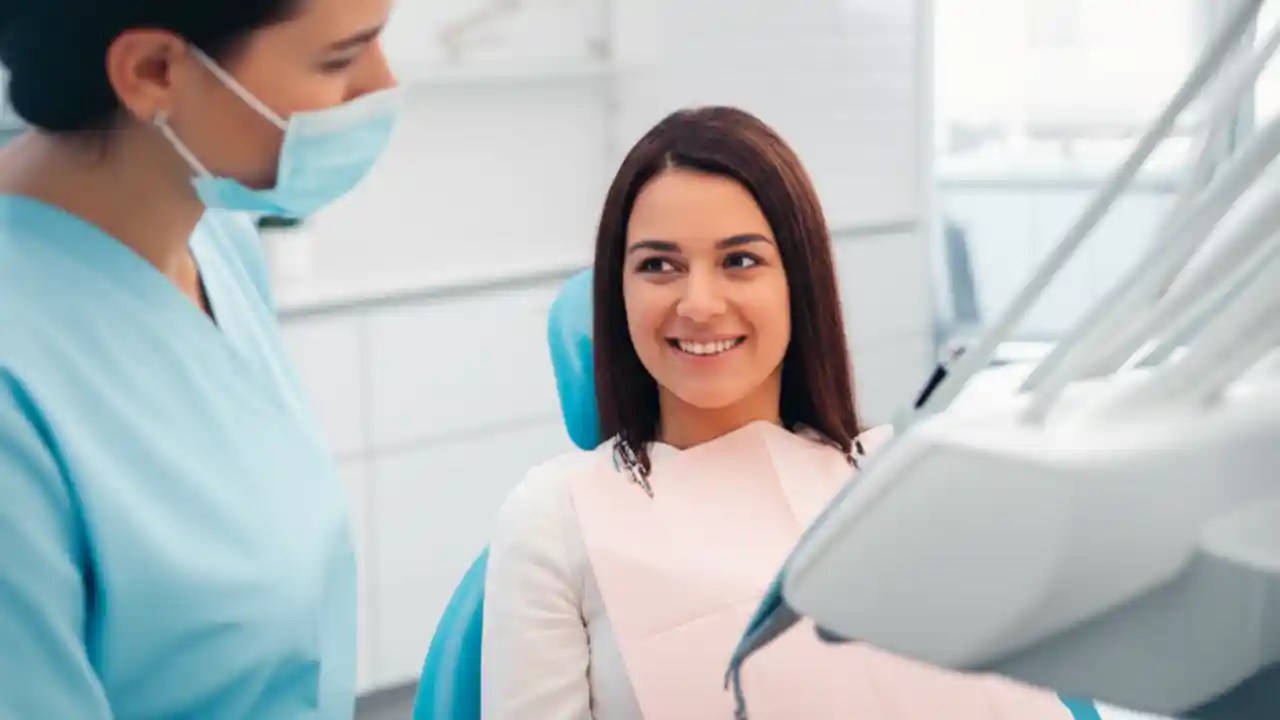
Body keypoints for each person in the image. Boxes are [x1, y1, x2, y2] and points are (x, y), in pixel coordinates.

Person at [480, 107, 1075, 718]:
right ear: (619, 292)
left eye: (740, 261)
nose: (700, 303)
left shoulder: (903, 483)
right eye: (659, 265)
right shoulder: (556, 516)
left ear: (798, 282)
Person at [0, 1, 399, 717]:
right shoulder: (17, 383)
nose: (382, 86)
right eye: (340, 59)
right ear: (154, 71)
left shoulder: (216, 243)